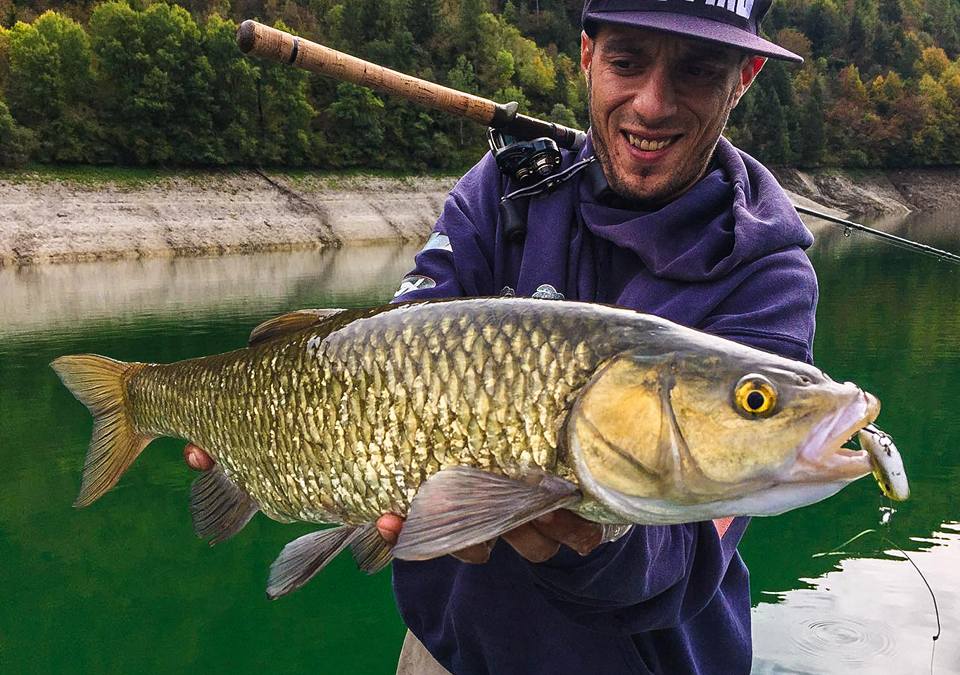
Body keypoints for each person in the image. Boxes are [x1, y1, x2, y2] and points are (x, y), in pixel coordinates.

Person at [186, 1, 817, 672]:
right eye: (627, 62)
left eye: (697, 71)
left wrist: (590, 538)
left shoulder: (768, 277)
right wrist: (263, 423)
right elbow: (387, 355)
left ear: (744, 77)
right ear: (587, 55)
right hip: (450, 652)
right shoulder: (505, 189)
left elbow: (690, 557)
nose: (652, 104)